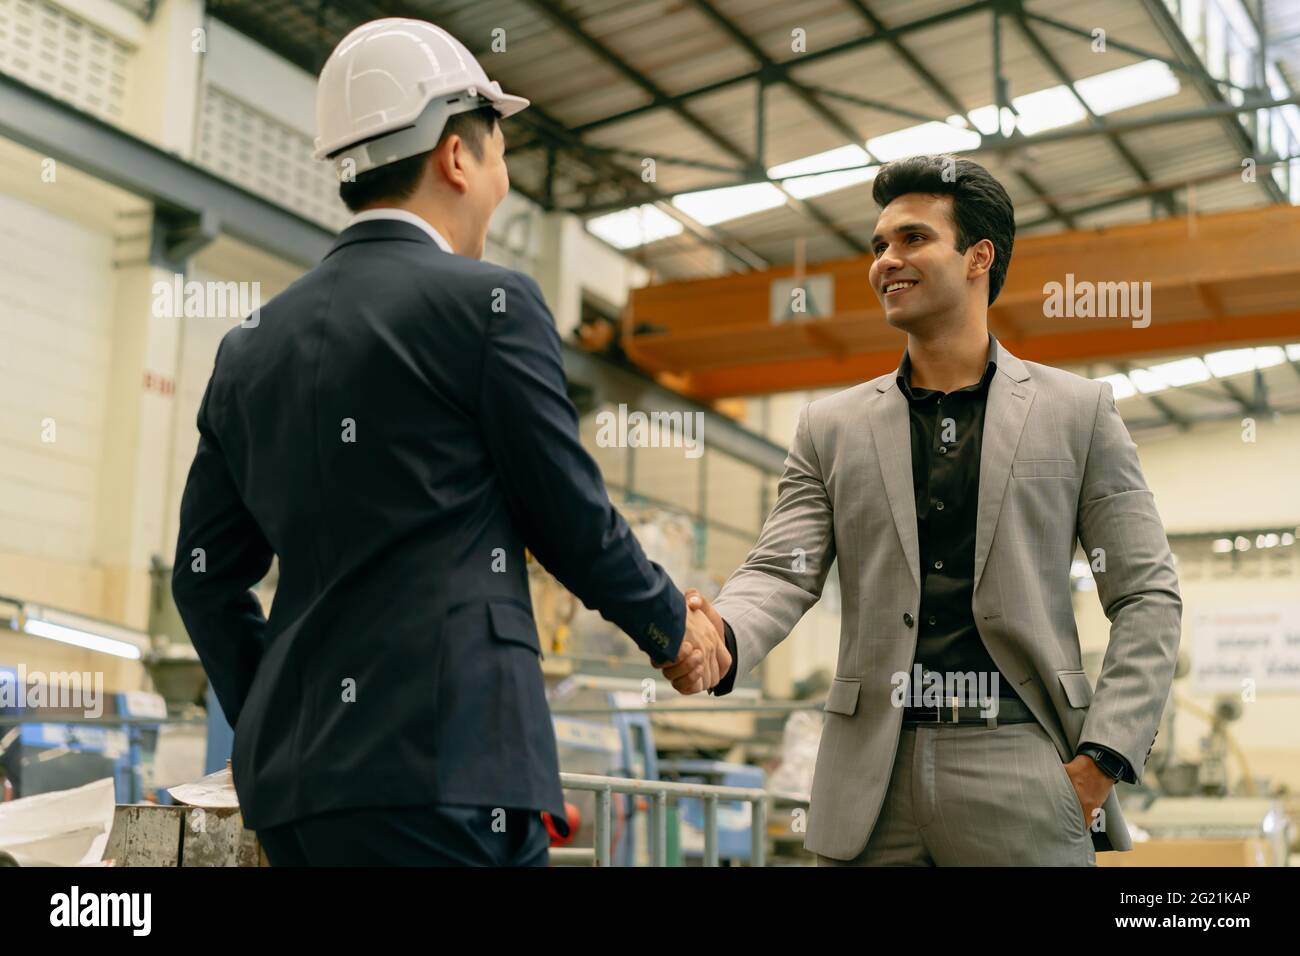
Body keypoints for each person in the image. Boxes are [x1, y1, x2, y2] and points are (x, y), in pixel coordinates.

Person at [172, 18, 727, 867]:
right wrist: (671, 630)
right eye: (501, 153)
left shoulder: (250, 343)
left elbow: (204, 583)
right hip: (450, 772)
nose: (502, 181)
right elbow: (569, 517)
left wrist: (280, 723)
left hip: (297, 795)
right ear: (457, 157)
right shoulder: (488, 306)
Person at [669, 155, 1180, 866]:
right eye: (878, 246)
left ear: (979, 257)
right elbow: (781, 573)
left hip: (1022, 765)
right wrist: (720, 633)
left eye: (912, 239)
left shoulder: (1077, 415)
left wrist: (1102, 758)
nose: (886, 260)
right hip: (870, 781)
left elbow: (1148, 593)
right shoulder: (831, 426)